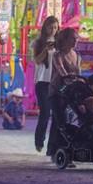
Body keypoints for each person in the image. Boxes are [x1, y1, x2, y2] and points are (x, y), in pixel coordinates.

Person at [46, 27, 80, 162]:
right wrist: (69, 78)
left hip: (70, 92)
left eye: (76, 39)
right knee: (60, 120)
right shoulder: (57, 55)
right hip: (57, 91)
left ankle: (54, 149)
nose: (75, 41)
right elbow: (61, 71)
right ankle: (57, 150)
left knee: (62, 121)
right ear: (65, 40)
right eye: (73, 39)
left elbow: (78, 73)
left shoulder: (76, 55)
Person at [31, 16, 59, 152]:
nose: (53, 30)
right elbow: (37, 60)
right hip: (42, 81)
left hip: (56, 81)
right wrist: (46, 50)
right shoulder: (39, 42)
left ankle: (52, 146)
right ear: (45, 27)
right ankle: (39, 141)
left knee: (57, 115)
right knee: (45, 112)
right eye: (50, 27)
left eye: (55, 27)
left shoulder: (59, 42)